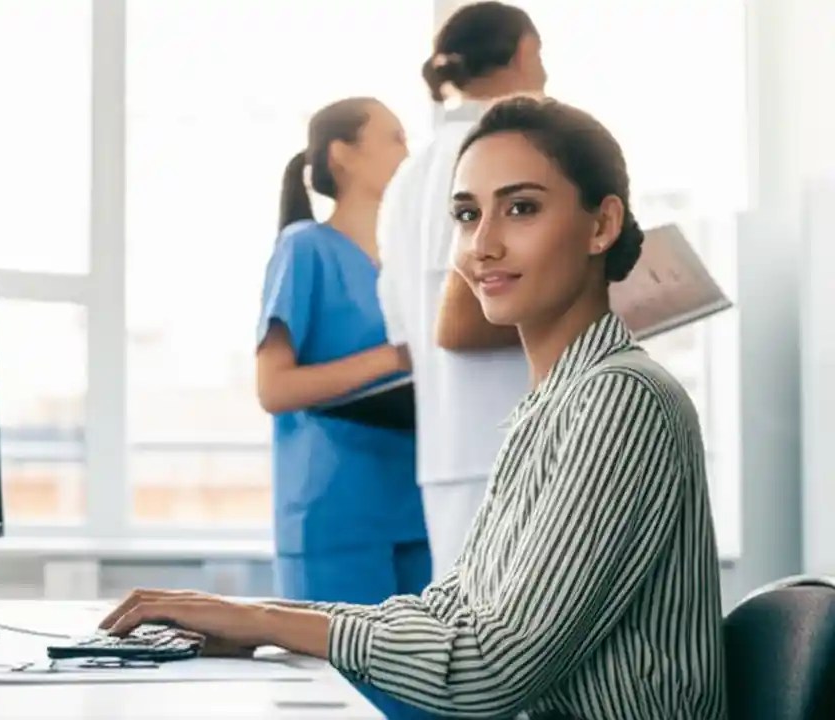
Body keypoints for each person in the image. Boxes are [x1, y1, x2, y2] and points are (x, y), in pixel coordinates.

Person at [99, 97, 727, 720]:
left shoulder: (620, 401)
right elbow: (449, 611)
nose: (483, 244)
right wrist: (261, 619)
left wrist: (263, 619)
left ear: (601, 225)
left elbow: (489, 669)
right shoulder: (549, 408)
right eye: (465, 214)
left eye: (521, 208)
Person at [257, 97, 432, 719]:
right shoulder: (305, 248)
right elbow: (274, 388)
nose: (407, 153)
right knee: (348, 701)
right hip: (334, 513)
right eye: (392, 138)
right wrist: (396, 358)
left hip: (412, 505)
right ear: (342, 155)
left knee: (427, 697)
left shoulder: (404, 264)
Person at [378, 1, 546, 579]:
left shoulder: (409, 177)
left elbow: (404, 342)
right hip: (522, 442)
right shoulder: (512, 151)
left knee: (470, 638)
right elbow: (468, 321)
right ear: (524, 52)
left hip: (448, 454)